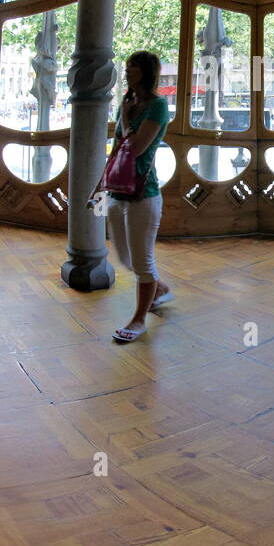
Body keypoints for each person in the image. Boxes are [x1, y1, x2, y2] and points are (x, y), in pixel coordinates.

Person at [107, 51, 174, 342]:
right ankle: (158, 289)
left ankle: (138, 320)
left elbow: (135, 147)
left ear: (146, 72)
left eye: (132, 69)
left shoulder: (157, 106)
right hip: (117, 191)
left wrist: (124, 115)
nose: (127, 74)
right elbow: (116, 148)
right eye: (126, 69)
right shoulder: (128, 103)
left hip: (143, 194)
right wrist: (101, 180)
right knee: (125, 257)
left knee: (142, 261)